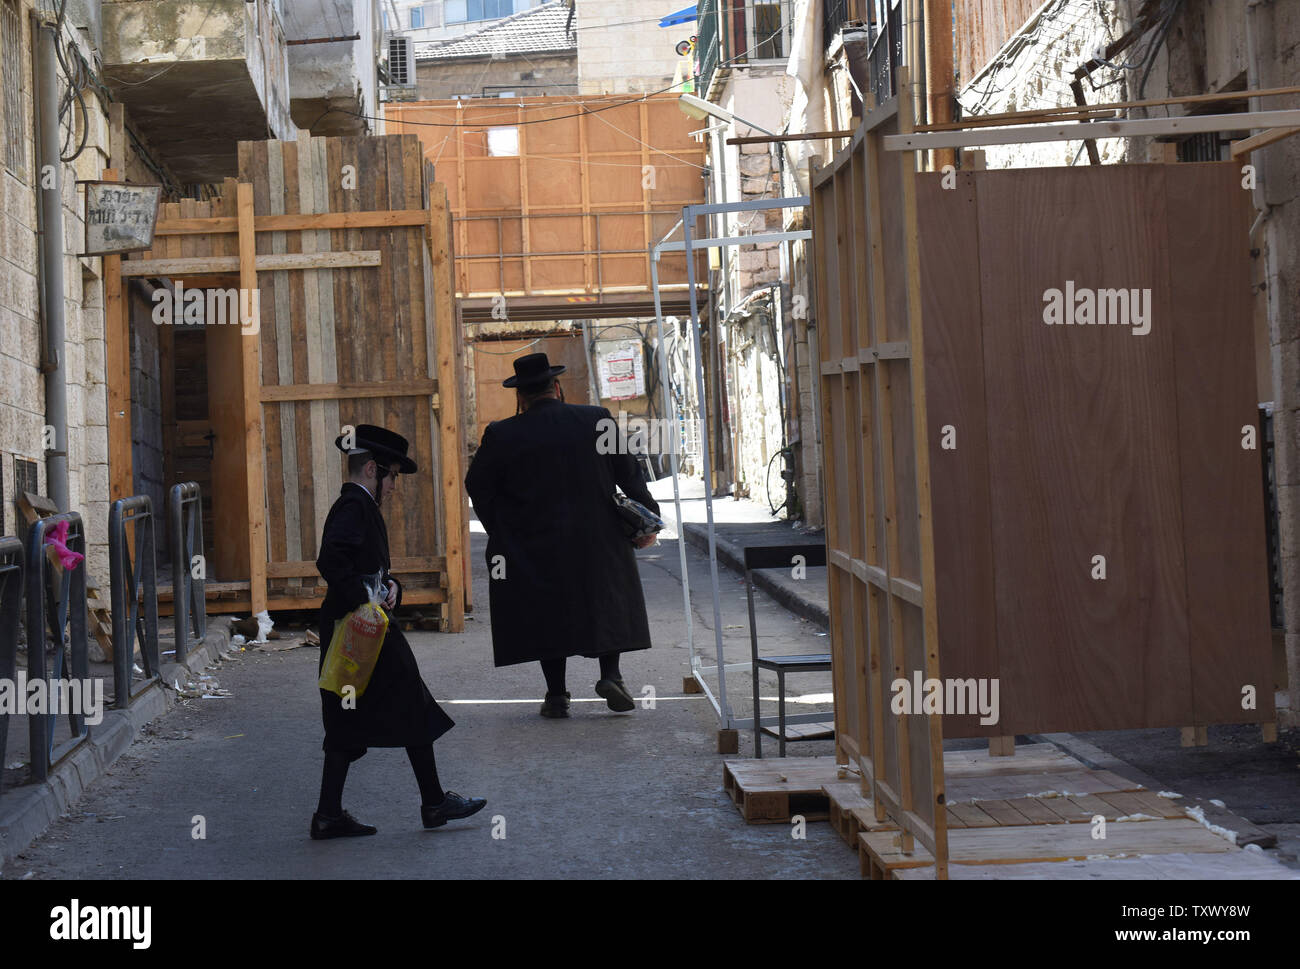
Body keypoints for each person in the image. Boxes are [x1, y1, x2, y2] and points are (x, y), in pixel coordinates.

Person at [311, 423, 486, 839]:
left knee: (348, 716)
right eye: (392, 476)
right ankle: (433, 802)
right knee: (408, 702)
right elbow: (331, 561)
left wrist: (390, 587)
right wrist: (364, 601)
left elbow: (366, 568)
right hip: (361, 630)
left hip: (358, 626)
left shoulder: (358, 504)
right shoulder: (355, 506)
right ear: (372, 469)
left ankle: (330, 814)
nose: (394, 486)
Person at [465, 352, 660, 718]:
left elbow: (477, 486)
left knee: (546, 612)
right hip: (597, 537)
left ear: (520, 396)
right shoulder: (596, 419)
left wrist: (501, 530)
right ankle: (611, 675)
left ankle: (556, 695)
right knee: (604, 601)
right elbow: (630, 474)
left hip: (534, 541)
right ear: (557, 387)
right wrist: (648, 521)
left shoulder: (502, 433)